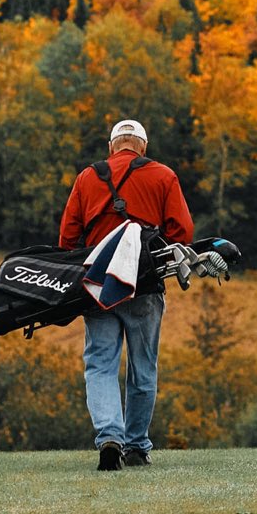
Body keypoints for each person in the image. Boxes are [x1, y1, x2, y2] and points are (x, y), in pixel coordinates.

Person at [59, 118, 194, 471]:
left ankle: (109, 438)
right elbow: (182, 232)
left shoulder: (87, 177)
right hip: (145, 285)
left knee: (100, 364)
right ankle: (136, 446)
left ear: (111, 147)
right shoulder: (163, 175)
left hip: (99, 286)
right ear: (143, 147)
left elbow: (67, 238)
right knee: (143, 367)